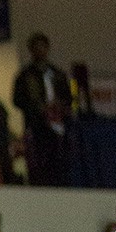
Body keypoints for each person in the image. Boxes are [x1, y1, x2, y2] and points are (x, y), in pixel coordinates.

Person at [12, 32, 71, 186]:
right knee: (37, 163)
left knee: (58, 160)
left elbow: (69, 98)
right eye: (36, 48)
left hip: (57, 125)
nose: (40, 51)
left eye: (43, 47)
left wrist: (59, 107)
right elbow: (17, 100)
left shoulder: (58, 74)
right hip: (36, 126)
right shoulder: (25, 75)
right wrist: (38, 108)